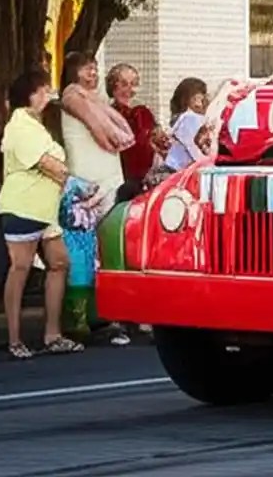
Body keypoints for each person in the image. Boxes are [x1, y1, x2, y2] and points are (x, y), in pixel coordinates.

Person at [0, 70, 86, 359]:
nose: (48, 96)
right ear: (30, 94)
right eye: (43, 91)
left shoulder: (38, 126)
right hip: (23, 205)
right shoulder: (20, 125)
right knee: (20, 268)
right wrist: (72, 180)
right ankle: (14, 339)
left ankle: (52, 334)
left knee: (59, 262)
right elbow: (50, 164)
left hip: (46, 208)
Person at [57, 52, 133, 343]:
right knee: (83, 251)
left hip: (106, 179)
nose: (93, 74)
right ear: (74, 72)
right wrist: (116, 136)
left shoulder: (94, 96)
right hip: (85, 183)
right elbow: (102, 132)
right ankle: (78, 317)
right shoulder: (72, 95)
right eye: (87, 69)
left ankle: (102, 311)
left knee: (103, 249)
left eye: (95, 69)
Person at [107, 63, 168, 199]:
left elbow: (160, 143)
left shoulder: (143, 112)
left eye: (134, 84)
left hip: (144, 178)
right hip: (118, 175)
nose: (130, 89)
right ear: (113, 86)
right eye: (124, 84)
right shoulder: (108, 113)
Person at [164, 78, 209, 172]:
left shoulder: (182, 118)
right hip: (176, 172)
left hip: (177, 170)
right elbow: (195, 150)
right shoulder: (190, 118)